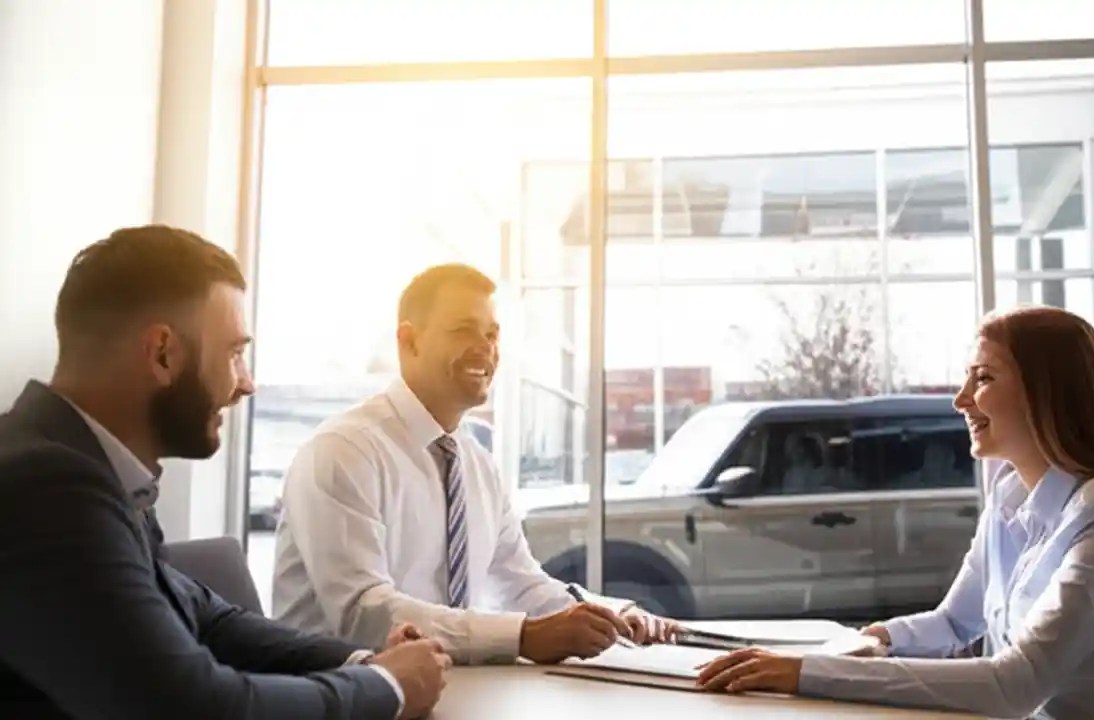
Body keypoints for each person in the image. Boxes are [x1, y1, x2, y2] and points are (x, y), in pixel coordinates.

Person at [0, 226, 450, 720]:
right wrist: (388, 688)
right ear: (163, 354)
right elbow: (194, 707)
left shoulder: (88, 468)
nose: (247, 383)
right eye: (234, 353)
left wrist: (366, 661)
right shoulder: (48, 488)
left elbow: (203, 615)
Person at [697, 306, 1094, 719]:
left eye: (983, 378)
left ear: (1048, 393)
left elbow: (1015, 684)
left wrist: (803, 673)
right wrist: (877, 639)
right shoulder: (1008, 497)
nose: (960, 400)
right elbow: (956, 622)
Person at [273, 263, 681, 665]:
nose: (485, 347)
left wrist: (612, 617)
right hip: (337, 698)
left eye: (491, 333)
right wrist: (522, 637)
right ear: (409, 342)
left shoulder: (476, 463)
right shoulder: (343, 451)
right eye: (462, 330)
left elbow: (518, 581)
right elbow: (363, 613)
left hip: (444, 689)